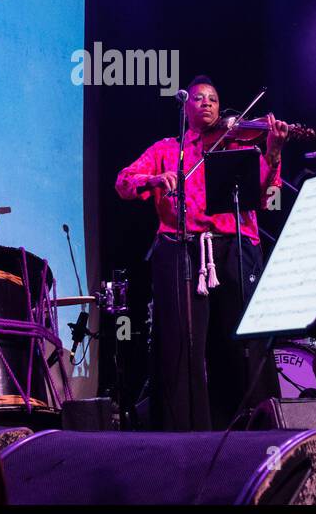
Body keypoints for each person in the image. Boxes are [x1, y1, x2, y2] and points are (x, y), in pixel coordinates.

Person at [115, 76, 289, 431]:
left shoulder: (238, 145)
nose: (207, 103)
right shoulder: (168, 149)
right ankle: (187, 431)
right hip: (183, 248)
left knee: (243, 337)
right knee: (184, 343)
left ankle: (254, 426)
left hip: (235, 248)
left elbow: (269, 196)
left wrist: (273, 150)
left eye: (213, 98)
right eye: (198, 98)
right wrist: (153, 179)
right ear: (186, 106)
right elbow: (124, 182)